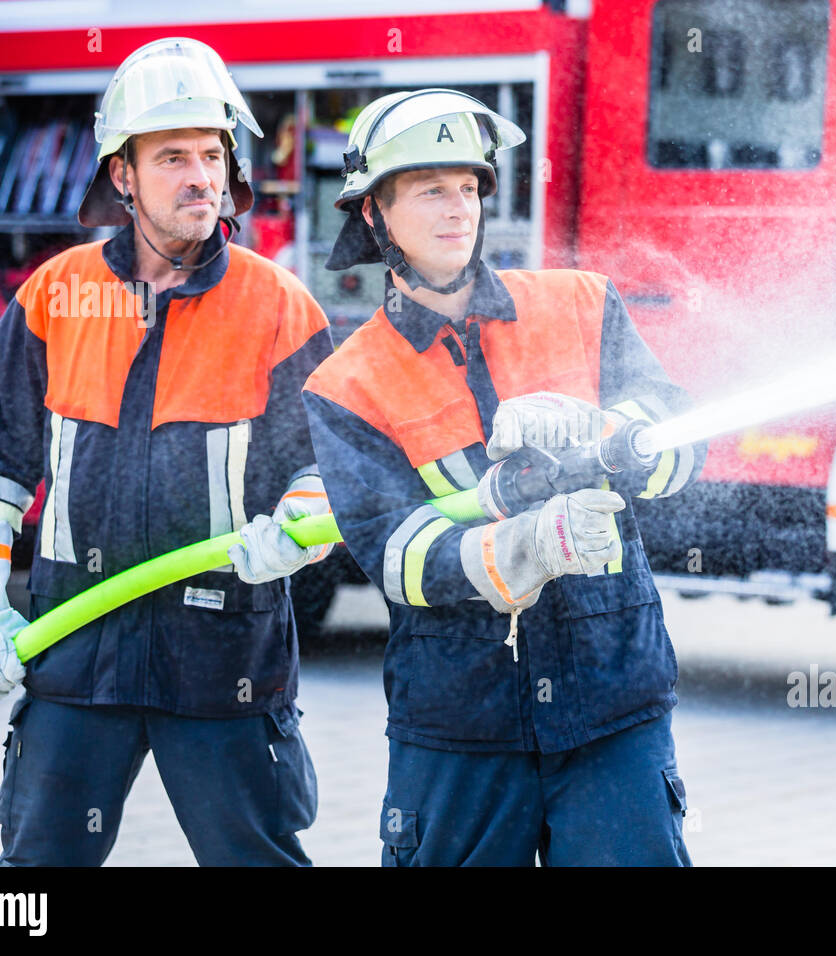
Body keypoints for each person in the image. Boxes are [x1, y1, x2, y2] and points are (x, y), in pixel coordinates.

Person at [0, 37, 333, 866]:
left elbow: (322, 467)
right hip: (78, 655)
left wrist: (297, 527)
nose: (200, 176)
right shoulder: (55, 296)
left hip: (226, 665)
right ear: (122, 175)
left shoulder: (278, 306)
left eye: (213, 155)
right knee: (33, 874)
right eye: (172, 155)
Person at [301, 89, 706, 866]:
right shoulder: (349, 384)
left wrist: (616, 432)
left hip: (611, 706)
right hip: (461, 727)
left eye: (467, 186)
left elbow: (685, 445)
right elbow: (395, 554)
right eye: (429, 189)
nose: (458, 208)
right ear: (375, 216)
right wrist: (528, 548)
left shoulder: (580, 303)